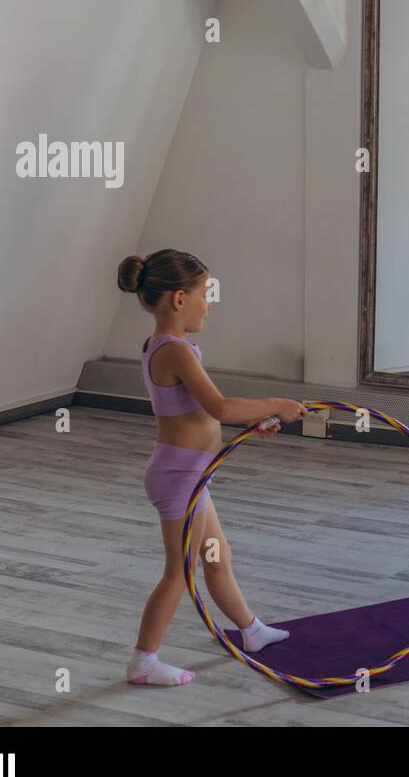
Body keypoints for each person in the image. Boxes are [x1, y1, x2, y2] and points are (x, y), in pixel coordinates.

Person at [116, 248, 308, 684]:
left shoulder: (168, 347)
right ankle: (143, 662)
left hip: (191, 474)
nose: (211, 303)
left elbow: (198, 413)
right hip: (179, 479)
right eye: (206, 293)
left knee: (218, 557)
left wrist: (255, 420)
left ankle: (252, 630)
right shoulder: (175, 350)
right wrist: (276, 402)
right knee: (178, 574)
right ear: (179, 300)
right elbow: (219, 407)